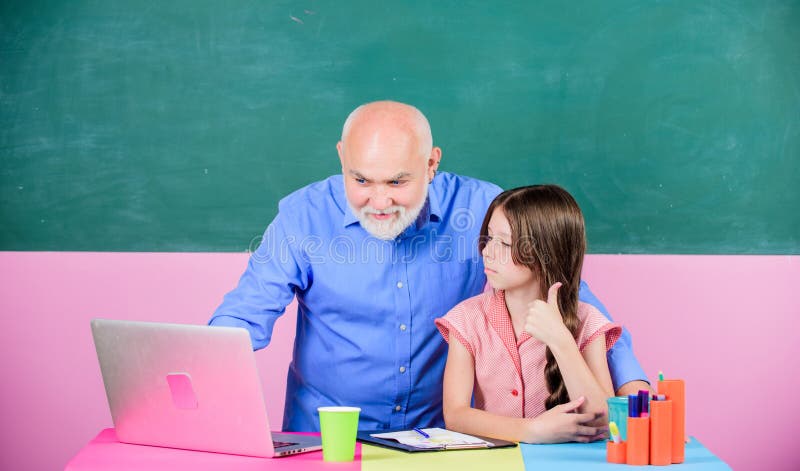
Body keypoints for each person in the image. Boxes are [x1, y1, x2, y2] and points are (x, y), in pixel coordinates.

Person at [208, 100, 649, 434]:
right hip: (326, 439)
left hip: (441, 442)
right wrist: (198, 370)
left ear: (432, 162)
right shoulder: (302, 217)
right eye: (360, 180)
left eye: (398, 181)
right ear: (342, 157)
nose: (379, 203)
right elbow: (245, 313)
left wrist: (633, 389)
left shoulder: (482, 208)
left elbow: (570, 296)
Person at [436, 185, 618, 443]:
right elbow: (455, 415)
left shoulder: (587, 321)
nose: (487, 251)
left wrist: (561, 341)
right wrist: (531, 430)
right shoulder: (467, 319)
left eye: (504, 242)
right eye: (488, 238)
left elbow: (602, 420)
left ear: (547, 251)